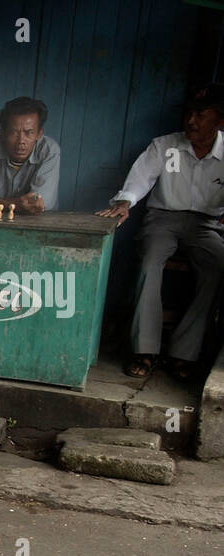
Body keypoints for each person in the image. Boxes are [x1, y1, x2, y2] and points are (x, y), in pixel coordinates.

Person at [97, 84, 224, 380]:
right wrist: (126, 201)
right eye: (189, 114)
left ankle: (184, 353)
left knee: (218, 268)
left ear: (220, 120)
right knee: (149, 263)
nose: (191, 121)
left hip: (206, 225)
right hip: (162, 220)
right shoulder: (164, 145)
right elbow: (138, 180)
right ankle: (145, 349)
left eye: (201, 115)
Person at [0, 97, 60, 214]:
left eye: (29, 133)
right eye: (14, 132)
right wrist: (16, 204)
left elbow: (38, 204)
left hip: (39, 220)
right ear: (2, 133)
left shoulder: (49, 151)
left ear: (39, 134)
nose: (21, 141)